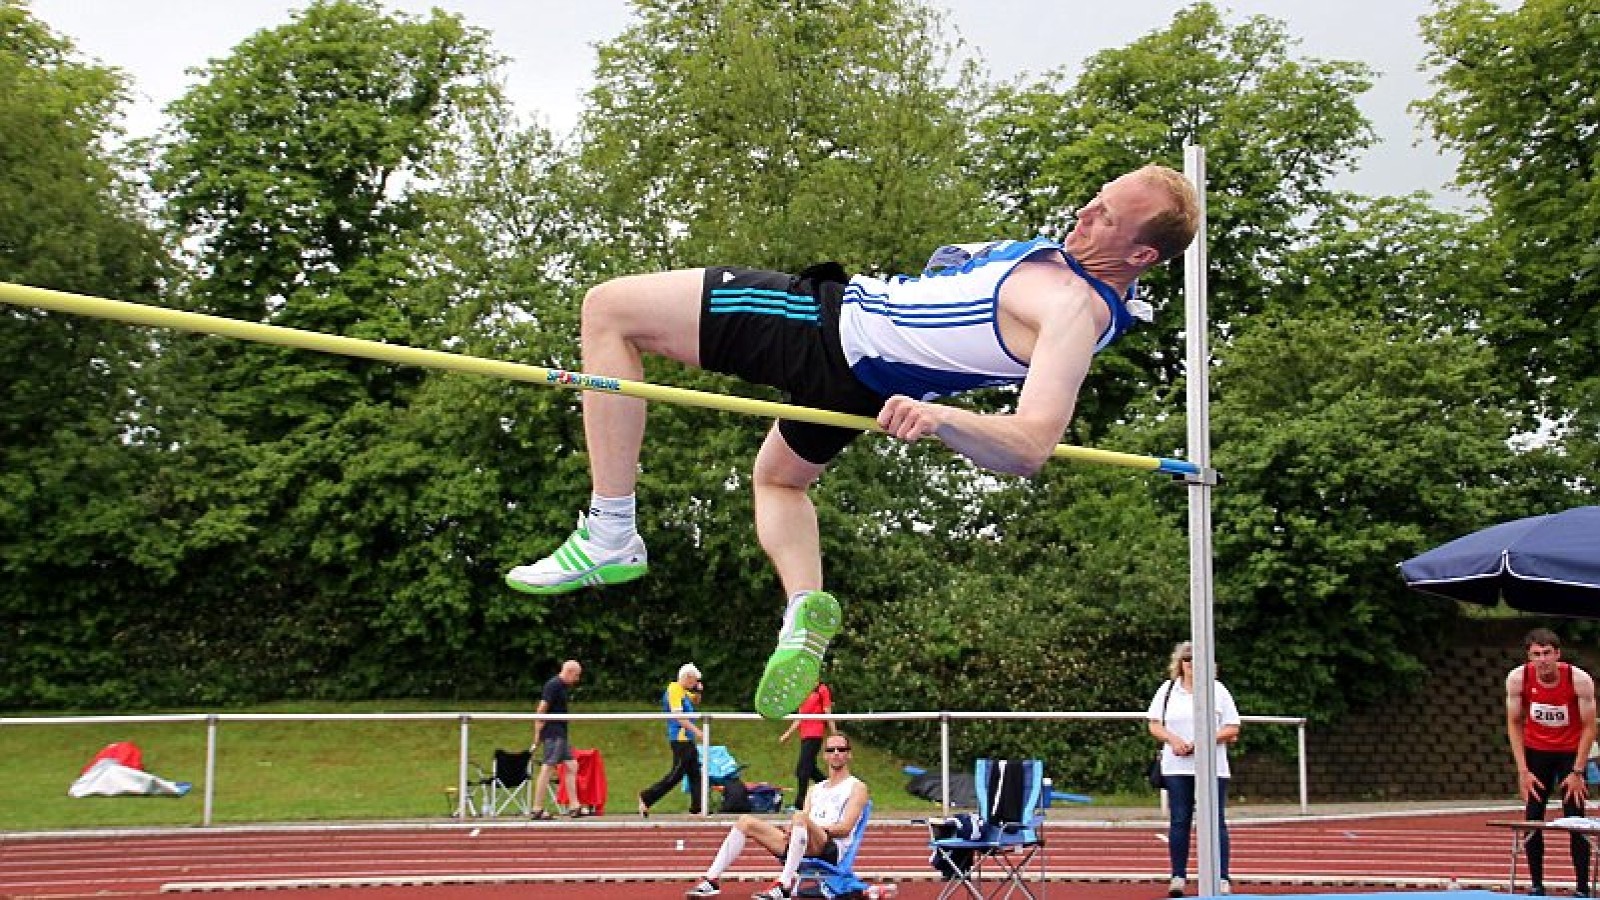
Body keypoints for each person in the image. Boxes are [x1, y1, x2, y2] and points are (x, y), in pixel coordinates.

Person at [505, 164, 1201, 720]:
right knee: (778, 480)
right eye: (1095, 199)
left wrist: (945, 423)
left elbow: (1031, 445)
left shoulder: (1074, 308)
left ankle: (611, 530)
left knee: (609, 308)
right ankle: (803, 611)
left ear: (1140, 252)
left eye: (1105, 216)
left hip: (824, 326)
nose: (1085, 212)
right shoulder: (1069, 277)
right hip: (864, 383)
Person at [684, 733, 870, 899]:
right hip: (804, 839)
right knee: (745, 822)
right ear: (825, 755)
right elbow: (802, 819)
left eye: (841, 749)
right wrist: (794, 830)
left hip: (831, 847)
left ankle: (784, 885)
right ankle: (712, 879)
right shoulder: (815, 789)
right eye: (831, 749)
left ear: (849, 754)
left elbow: (845, 829)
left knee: (799, 817)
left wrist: (807, 826)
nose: (836, 753)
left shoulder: (856, 787)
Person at [1506, 627, 1598, 897]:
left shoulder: (1578, 679)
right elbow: (1513, 723)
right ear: (1528, 657)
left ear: (1558, 654)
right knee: (1533, 816)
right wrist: (1523, 770)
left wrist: (1578, 770)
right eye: (1536, 654)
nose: (1543, 660)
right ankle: (1536, 884)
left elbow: (1590, 727)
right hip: (1537, 752)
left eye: (1547, 653)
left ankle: (1582, 887)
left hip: (1571, 752)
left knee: (1575, 818)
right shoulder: (1517, 679)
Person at [1148, 640, 1241, 897]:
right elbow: (1154, 724)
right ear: (1180, 664)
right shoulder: (1168, 690)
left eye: (1197, 660)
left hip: (1212, 766)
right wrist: (1173, 739)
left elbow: (1233, 728)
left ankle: (1222, 876)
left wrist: (1204, 740)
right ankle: (1178, 876)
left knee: (1215, 820)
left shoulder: (1218, 691)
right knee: (1180, 819)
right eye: (1187, 660)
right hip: (1177, 765)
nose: (1191, 665)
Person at [640, 662, 707, 816]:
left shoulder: (683, 691)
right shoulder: (675, 690)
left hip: (687, 739)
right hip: (680, 739)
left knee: (695, 773)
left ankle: (698, 807)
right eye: (694, 681)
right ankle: (647, 797)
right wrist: (698, 731)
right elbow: (679, 717)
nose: (695, 684)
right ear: (687, 677)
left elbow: (695, 701)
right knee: (676, 774)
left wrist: (698, 691)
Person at [528, 659, 583, 819]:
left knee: (572, 765)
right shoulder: (553, 685)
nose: (577, 680)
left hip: (561, 732)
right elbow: (541, 709)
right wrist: (538, 734)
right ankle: (537, 808)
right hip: (553, 733)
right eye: (576, 675)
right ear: (570, 671)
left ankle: (575, 806)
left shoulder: (562, 687)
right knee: (548, 767)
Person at [779, 680, 837, 811]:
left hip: (815, 733)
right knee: (809, 769)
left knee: (803, 770)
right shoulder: (803, 690)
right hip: (805, 735)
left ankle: (800, 804)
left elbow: (828, 713)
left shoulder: (822, 689)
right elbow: (800, 716)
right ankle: (833, 791)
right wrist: (788, 734)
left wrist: (835, 734)